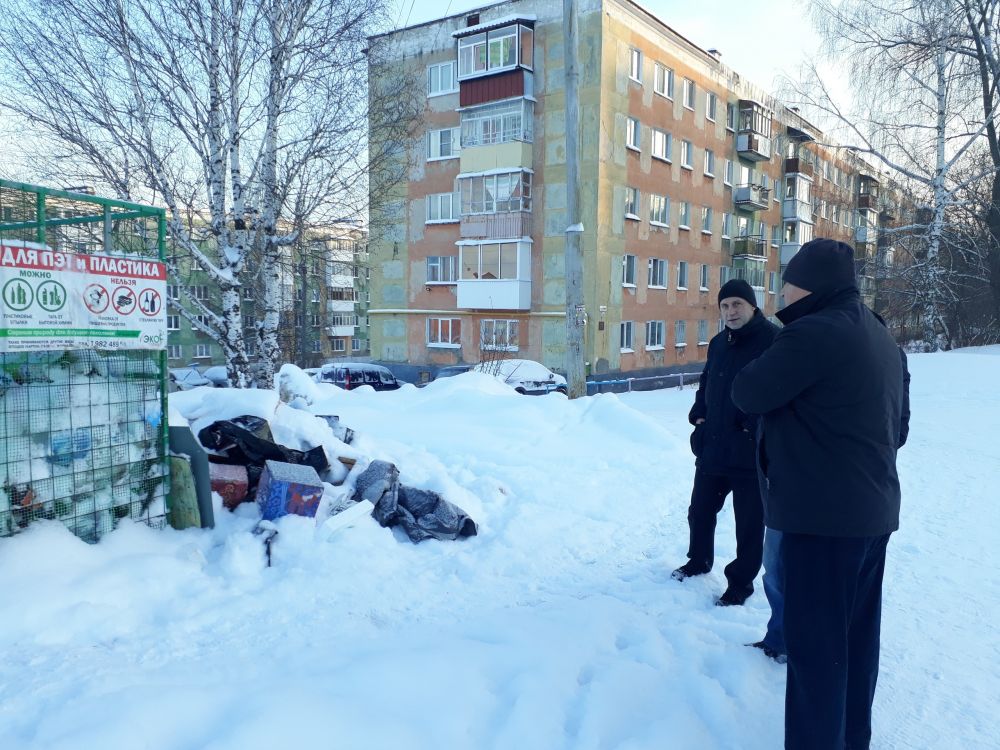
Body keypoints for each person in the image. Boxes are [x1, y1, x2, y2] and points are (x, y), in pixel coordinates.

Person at [732, 238, 911, 750]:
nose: (780, 295)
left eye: (785, 284)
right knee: (855, 645)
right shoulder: (878, 333)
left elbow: (748, 391)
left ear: (807, 286)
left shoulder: (813, 333)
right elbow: (898, 427)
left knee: (816, 656)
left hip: (821, 520)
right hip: (871, 514)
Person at [673, 278, 778, 606]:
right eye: (725, 305)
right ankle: (698, 561)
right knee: (700, 511)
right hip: (713, 448)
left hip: (749, 455)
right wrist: (699, 418)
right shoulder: (719, 342)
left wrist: (751, 429)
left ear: (753, 306)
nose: (731, 311)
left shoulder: (774, 341)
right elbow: (706, 384)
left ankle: (739, 585)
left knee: (748, 526)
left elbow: (777, 393)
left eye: (737, 304)